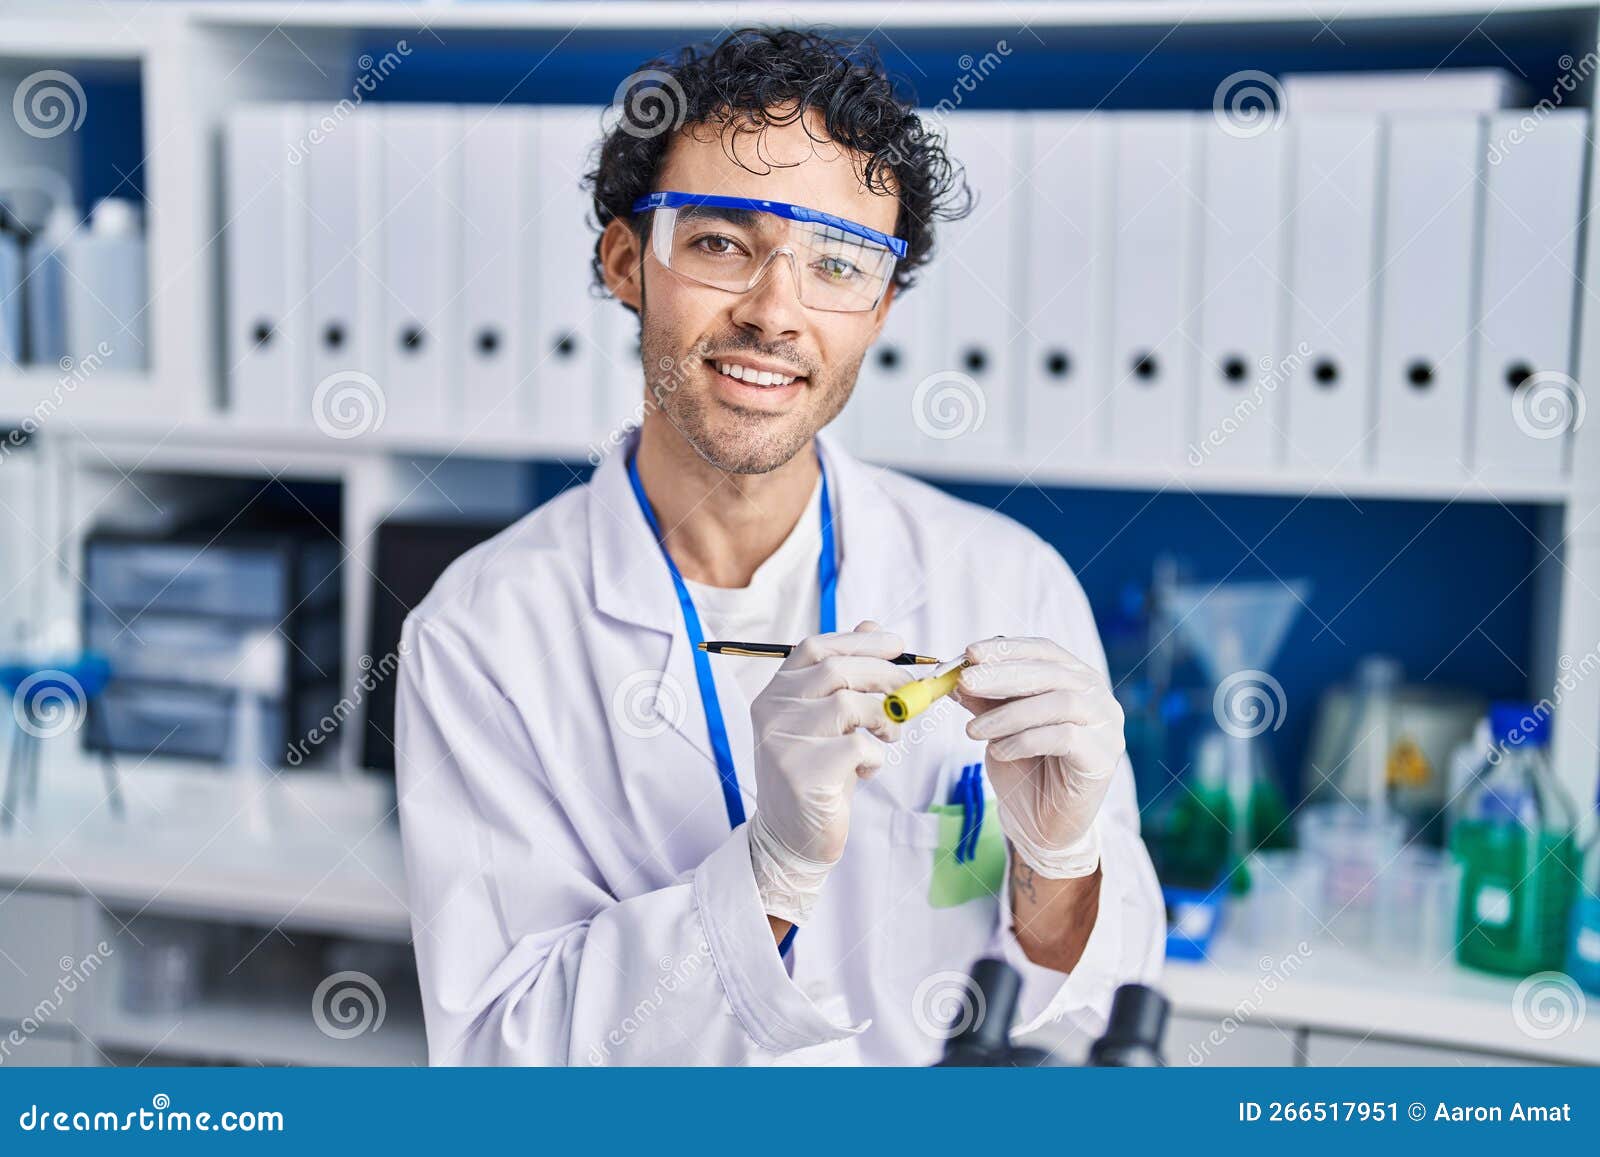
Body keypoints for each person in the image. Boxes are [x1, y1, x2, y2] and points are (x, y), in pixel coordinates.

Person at [395, 27, 1163, 1066]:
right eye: (720, 243)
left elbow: (1092, 1016)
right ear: (627, 262)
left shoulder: (1005, 580)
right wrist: (767, 873)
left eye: (838, 266)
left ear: (881, 309)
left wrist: (1057, 859)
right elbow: (500, 1056)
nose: (774, 312)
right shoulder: (485, 633)